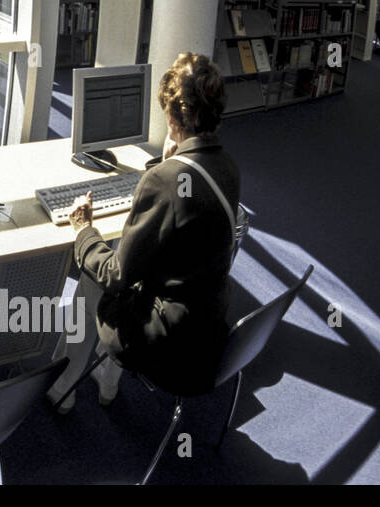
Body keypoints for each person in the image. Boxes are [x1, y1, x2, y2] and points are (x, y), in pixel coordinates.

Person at [50, 51, 239, 410]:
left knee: (93, 273)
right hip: (206, 330)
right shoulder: (228, 165)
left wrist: (83, 230)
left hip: (164, 343)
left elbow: (116, 275)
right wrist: (174, 161)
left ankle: (63, 385)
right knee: (129, 262)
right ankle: (105, 382)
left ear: (171, 115)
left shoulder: (164, 181)